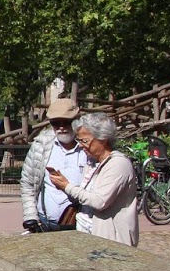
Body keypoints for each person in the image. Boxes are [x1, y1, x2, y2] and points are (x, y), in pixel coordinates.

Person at [45, 111, 140, 246]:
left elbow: (99, 202)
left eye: (84, 141)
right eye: (78, 140)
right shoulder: (92, 163)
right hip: (87, 236)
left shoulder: (118, 164)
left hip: (110, 240)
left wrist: (67, 186)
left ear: (103, 139)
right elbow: (84, 197)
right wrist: (62, 185)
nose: (80, 145)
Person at [19, 96, 85, 232]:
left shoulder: (88, 147)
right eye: (55, 123)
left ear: (77, 121)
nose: (61, 127)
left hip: (80, 226)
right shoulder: (41, 145)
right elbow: (28, 183)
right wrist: (31, 216)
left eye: (67, 122)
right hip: (44, 223)